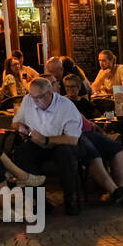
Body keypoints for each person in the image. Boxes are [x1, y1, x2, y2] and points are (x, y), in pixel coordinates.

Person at [11, 78, 85, 215]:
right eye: (32, 97)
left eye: (39, 97)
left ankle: (70, 199)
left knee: (65, 154)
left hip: (60, 143)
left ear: (49, 93)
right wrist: (21, 127)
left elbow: (73, 139)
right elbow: (15, 123)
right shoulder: (28, 100)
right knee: (21, 154)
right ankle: (41, 202)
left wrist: (46, 139)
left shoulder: (65, 106)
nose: (35, 101)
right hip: (37, 143)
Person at [62, 74, 123, 203]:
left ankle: (122, 188)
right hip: (77, 135)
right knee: (93, 152)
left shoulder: (83, 102)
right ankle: (115, 190)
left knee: (118, 145)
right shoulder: (64, 102)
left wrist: (100, 123)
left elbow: (97, 116)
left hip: (91, 131)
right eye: (67, 87)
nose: (69, 90)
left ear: (78, 88)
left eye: (72, 87)